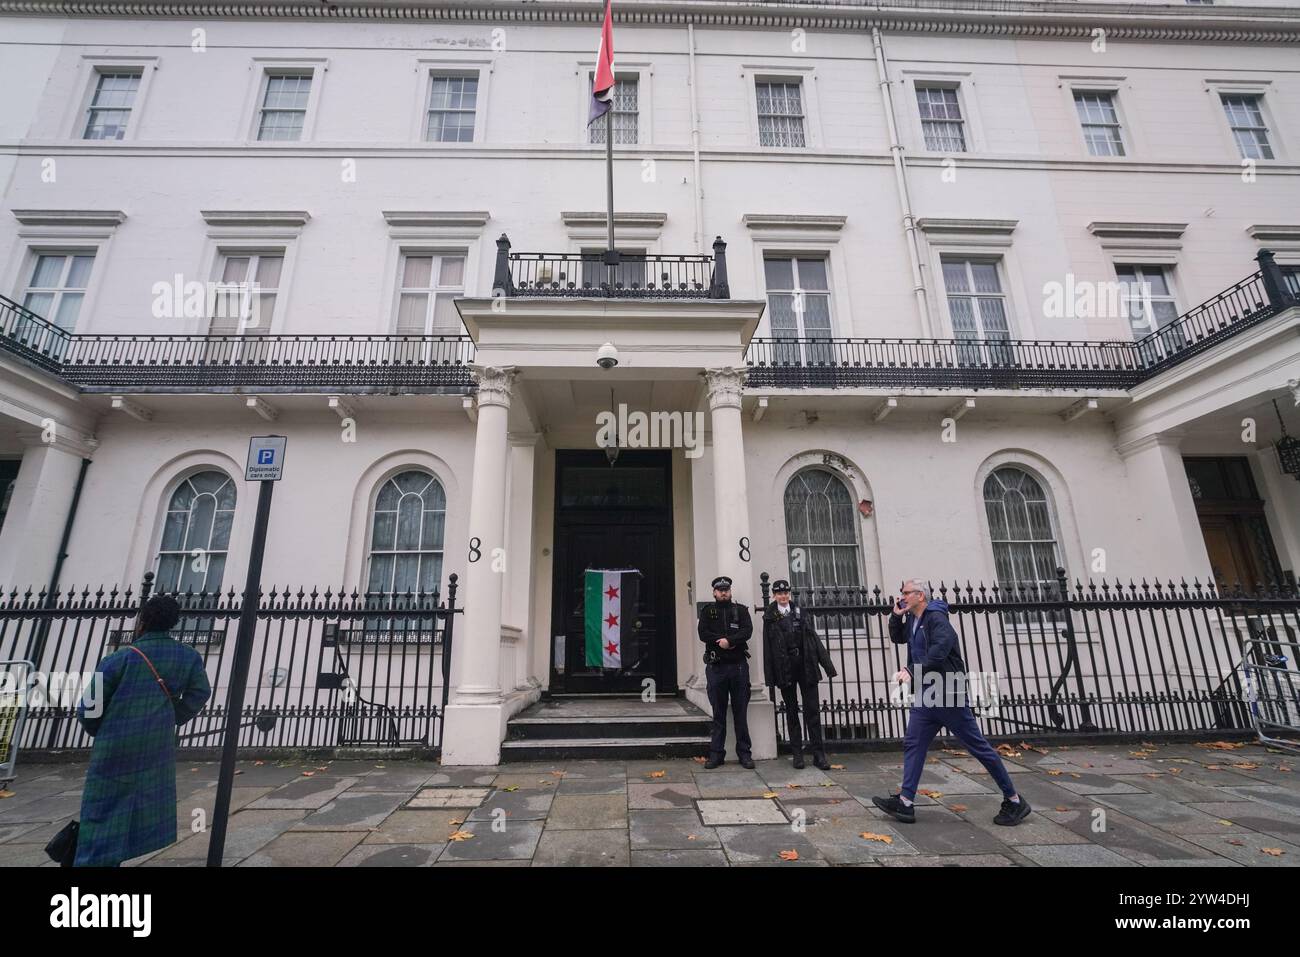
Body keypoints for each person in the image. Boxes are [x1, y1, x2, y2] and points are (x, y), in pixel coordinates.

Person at [872, 579, 1031, 826]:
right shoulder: (914, 619)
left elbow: (940, 650)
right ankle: (905, 803)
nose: (901, 596)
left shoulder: (936, 618)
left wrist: (914, 670)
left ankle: (1014, 800)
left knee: (978, 747)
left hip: (948, 693)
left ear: (920, 596)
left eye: (906, 593)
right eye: (901, 592)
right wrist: (896, 615)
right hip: (927, 693)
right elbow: (897, 638)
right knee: (913, 744)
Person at [74, 594, 212, 866]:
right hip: (156, 745)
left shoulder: (119, 658)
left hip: (114, 746)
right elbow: (200, 692)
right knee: (146, 802)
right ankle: (126, 850)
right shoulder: (187, 656)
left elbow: (89, 709)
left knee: (103, 809)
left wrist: (100, 730)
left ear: (143, 621)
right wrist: (171, 717)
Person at [762, 579, 836, 770]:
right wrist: (770, 677)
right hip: (785, 668)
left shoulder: (800, 613)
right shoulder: (770, 617)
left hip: (806, 664)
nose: (783, 596)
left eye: (786, 593)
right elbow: (767, 649)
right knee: (792, 711)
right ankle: (797, 755)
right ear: (774, 596)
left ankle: (819, 755)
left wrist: (827, 666)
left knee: (812, 711)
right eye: (779, 593)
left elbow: (813, 638)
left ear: (789, 594)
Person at [697, 575, 754, 769]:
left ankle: (745, 754)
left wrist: (730, 641)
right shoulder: (707, 612)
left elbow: (747, 631)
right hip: (717, 667)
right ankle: (716, 754)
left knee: (740, 712)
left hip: (738, 667)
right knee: (718, 714)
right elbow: (703, 633)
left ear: (730, 591)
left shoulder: (740, 610)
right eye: (720, 590)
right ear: (714, 592)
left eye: (726, 589)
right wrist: (720, 640)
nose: (723, 592)